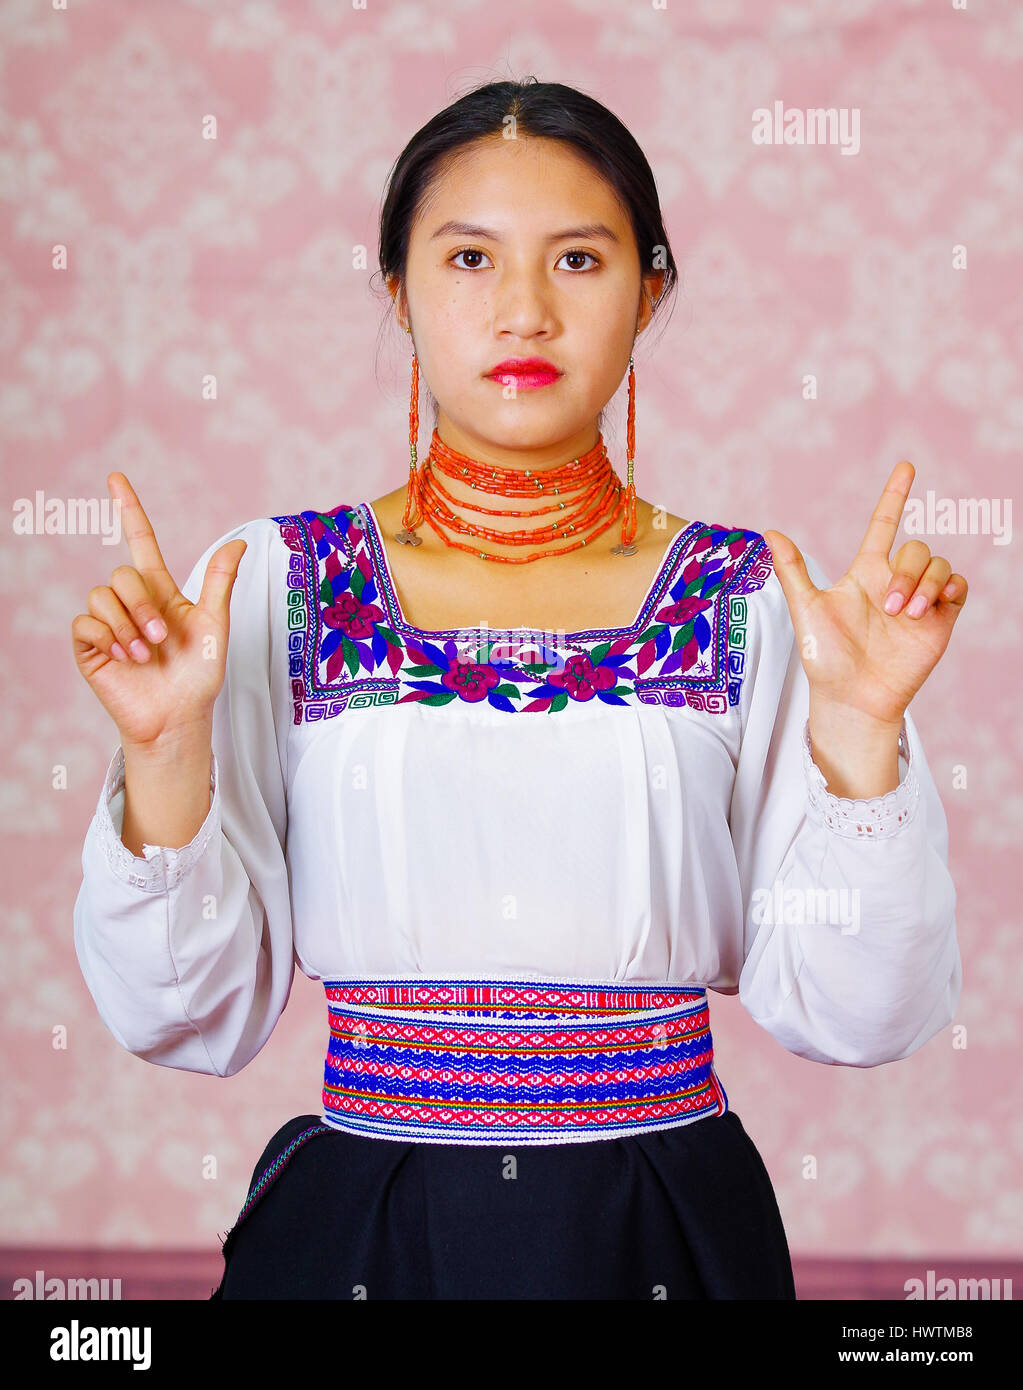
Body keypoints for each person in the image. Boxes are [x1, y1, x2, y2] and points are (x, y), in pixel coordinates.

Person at [71, 78, 967, 1301]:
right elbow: (192, 1016)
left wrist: (862, 730)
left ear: (651, 291)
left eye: (581, 260)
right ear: (397, 289)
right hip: (363, 1228)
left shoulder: (757, 594)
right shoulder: (273, 582)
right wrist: (169, 745)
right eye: (471, 258)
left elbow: (862, 1016)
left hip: (660, 1221)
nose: (525, 311)